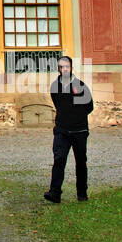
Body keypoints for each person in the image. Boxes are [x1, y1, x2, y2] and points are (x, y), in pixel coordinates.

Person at [44, 55, 93, 203]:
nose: (65, 69)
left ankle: (82, 193)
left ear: (71, 68)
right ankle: (55, 193)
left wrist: (76, 117)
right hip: (61, 130)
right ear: (58, 68)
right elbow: (57, 104)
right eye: (62, 67)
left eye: (67, 66)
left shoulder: (81, 86)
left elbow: (89, 107)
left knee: (80, 162)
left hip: (79, 131)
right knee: (59, 160)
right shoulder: (55, 86)